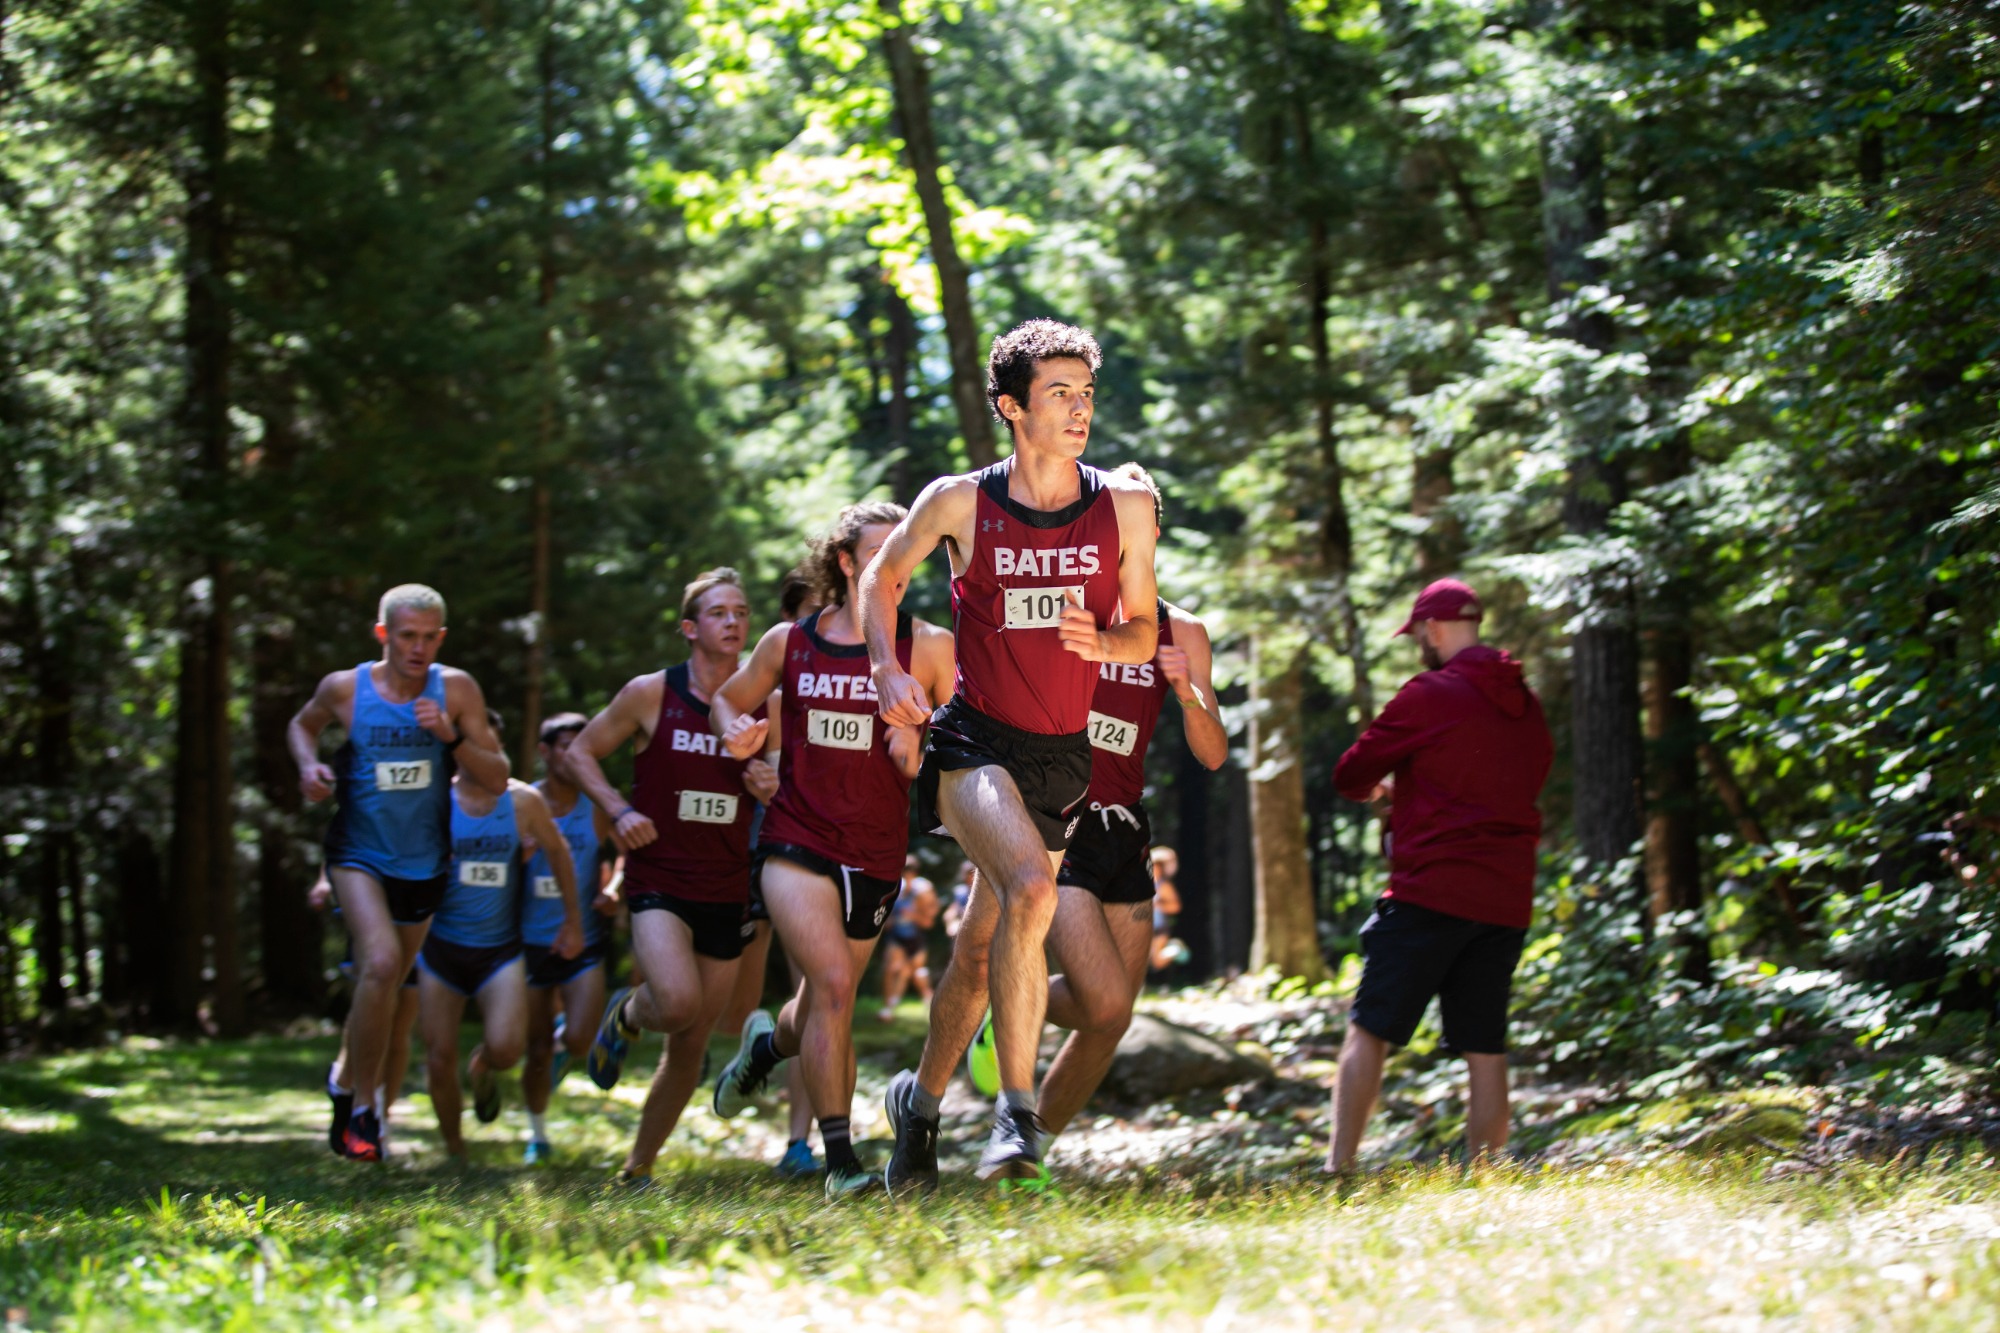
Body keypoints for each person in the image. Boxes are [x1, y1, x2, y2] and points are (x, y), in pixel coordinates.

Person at [861, 319, 1161, 1190]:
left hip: (1062, 758)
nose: (1079, 409)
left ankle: (916, 1110)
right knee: (1033, 887)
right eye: (1059, 393)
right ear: (1012, 407)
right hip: (972, 741)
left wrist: (1109, 647)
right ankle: (1016, 1116)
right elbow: (881, 576)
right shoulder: (961, 501)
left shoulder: (1126, 508)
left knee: (982, 947)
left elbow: (1141, 627)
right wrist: (884, 668)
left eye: (1087, 393)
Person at [896, 463, 1228, 1180]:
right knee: (1053, 966)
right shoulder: (1057, 595)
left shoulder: (1180, 630)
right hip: (1049, 806)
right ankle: (976, 1101)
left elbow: (1211, 753)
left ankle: (1017, 1146)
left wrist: (1189, 690)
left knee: (1102, 1014)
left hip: (1121, 825)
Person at [708, 502, 956, 1199]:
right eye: (882, 553)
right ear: (847, 563)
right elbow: (728, 701)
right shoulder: (791, 643)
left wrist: (920, 743)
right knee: (838, 988)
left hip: (876, 852)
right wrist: (738, 734)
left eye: (906, 553)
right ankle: (840, 1160)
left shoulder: (931, 646)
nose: (897, 568)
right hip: (797, 837)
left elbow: (964, 740)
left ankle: (766, 1049)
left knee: (821, 998)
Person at [1325, 578, 1553, 1173]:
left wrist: (1390, 789)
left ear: (1431, 629)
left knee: (1370, 1027)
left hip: (1430, 890)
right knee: (1484, 1043)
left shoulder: (1430, 694)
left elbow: (1351, 773)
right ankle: (1487, 1173)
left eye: (1418, 634)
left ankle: (1339, 1170)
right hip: (1504, 895)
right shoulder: (1525, 702)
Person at [566, 567, 777, 1189]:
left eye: (741, 611)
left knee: (690, 1041)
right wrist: (619, 809)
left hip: (728, 883)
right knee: (678, 1002)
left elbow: (784, 777)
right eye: (718, 613)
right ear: (690, 628)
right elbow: (580, 752)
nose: (734, 622)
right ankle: (628, 1012)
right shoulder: (650, 694)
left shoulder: (767, 700)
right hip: (659, 877)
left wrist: (771, 781)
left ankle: (638, 1168)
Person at [289, 583, 510, 1162]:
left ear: (441, 637)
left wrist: (451, 736)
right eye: (406, 636)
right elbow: (301, 725)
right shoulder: (345, 688)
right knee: (382, 963)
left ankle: (342, 1080)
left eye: (428, 637)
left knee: (384, 982)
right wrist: (308, 765)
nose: (417, 648)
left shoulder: (456, 689)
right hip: (358, 853)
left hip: (425, 862)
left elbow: (496, 775)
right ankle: (365, 1106)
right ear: (383, 634)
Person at [417, 712, 584, 1160]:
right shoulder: (435, 801)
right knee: (437, 1055)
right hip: (439, 950)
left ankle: (484, 1065)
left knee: (509, 1050)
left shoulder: (523, 801)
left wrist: (573, 920)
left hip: (499, 951)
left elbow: (559, 851)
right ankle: (455, 1151)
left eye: (490, 742)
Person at [715, 566, 821, 1179]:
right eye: (812, 616)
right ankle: (755, 1046)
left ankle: (801, 1141)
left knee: (822, 994)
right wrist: (758, 776)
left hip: (844, 853)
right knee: (744, 1005)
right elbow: (726, 726)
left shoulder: (877, 674)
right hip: (776, 853)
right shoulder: (773, 694)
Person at [518, 712, 620, 1165]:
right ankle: (537, 1134)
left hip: (584, 938)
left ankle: (568, 1046)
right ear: (545, 752)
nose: (574, 755)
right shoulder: (520, 802)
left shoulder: (596, 806)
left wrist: (613, 891)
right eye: (564, 746)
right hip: (528, 939)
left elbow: (628, 853)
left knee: (579, 1039)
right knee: (535, 1047)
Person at [313, 869, 420, 1148]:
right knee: (378, 997)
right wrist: (325, 878)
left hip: (423, 894)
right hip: (371, 893)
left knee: (401, 1019)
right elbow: (346, 827)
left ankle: (378, 1118)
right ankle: (353, 1092)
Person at [878, 856, 940, 1019]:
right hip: (897, 936)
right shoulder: (895, 887)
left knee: (914, 973)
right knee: (891, 969)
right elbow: (887, 914)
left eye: (909, 872)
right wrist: (887, 920)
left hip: (916, 937)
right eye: (904, 872)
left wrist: (913, 916)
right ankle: (888, 1008)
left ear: (914, 873)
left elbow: (928, 922)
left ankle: (930, 1000)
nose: (906, 876)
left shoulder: (923, 890)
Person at [1148, 846, 1189, 972]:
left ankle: (1175, 949)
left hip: (1159, 927)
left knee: (1158, 961)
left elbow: (1176, 907)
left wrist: (1158, 905)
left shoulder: (1164, 887)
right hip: (1142, 925)